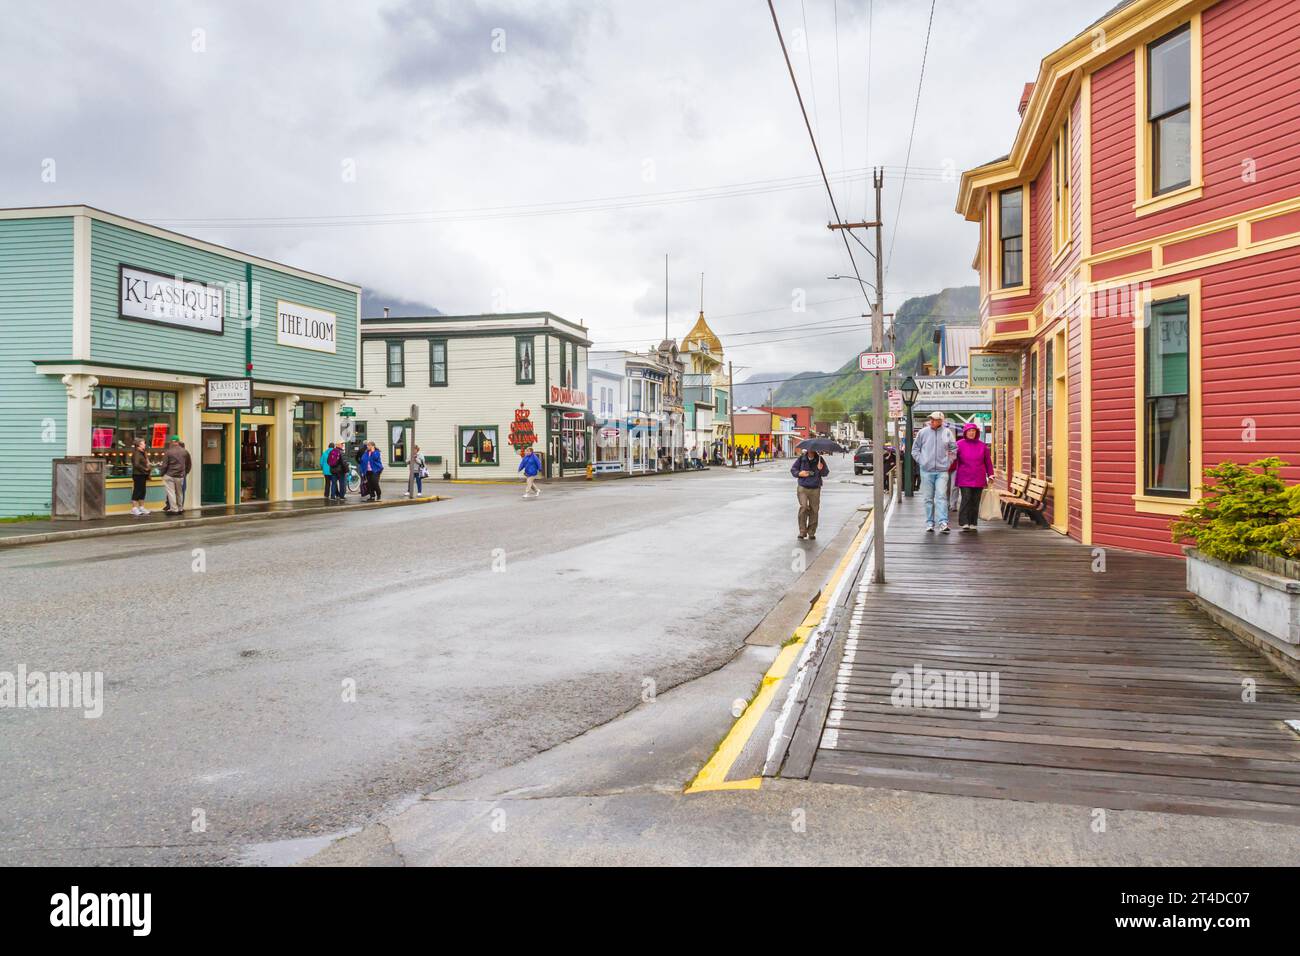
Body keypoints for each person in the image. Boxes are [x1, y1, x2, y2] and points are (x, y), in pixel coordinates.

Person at [912, 410, 957, 534]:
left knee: (941, 496)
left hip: (942, 471)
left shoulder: (947, 433)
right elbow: (915, 449)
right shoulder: (922, 432)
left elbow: (953, 449)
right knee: (928, 498)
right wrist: (922, 461)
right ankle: (930, 523)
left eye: (934, 419)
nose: (931, 421)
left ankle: (943, 522)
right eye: (931, 419)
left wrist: (949, 462)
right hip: (926, 470)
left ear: (941, 421)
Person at [953, 423, 994, 531]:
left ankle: (973, 522)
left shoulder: (982, 445)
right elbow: (953, 459)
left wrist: (991, 474)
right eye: (969, 431)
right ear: (965, 432)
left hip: (979, 477)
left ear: (977, 433)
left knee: (975, 500)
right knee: (966, 498)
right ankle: (964, 522)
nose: (971, 433)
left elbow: (988, 462)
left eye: (973, 431)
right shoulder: (959, 444)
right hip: (964, 476)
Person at [790, 447, 829, 540]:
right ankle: (802, 531)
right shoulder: (801, 459)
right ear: (807, 450)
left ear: (815, 451)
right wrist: (799, 473)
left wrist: (821, 469)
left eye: (812, 450)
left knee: (814, 510)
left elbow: (825, 473)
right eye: (809, 450)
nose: (811, 452)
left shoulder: (820, 459)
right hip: (803, 487)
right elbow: (793, 470)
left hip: (815, 488)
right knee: (804, 507)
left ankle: (811, 532)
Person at [160, 436, 190, 514]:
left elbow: (164, 465)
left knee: (171, 492)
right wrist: (185, 473)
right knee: (179, 492)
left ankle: (174, 509)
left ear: (171, 442)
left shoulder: (168, 452)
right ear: (178, 441)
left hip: (169, 475)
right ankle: (180, 508)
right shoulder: (184, 451)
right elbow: (188, 464)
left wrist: (162, 474)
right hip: (180, 476)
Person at [130, 438, 151, 517]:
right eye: (143, 443)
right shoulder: (136, 453)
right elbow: (136, 464)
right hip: (138, 474)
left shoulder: (142, 453)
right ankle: (134, 508)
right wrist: (145, 469)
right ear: (138, 445)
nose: (144, 445)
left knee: (142, 491)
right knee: (137, 491)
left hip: (142, 474)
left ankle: (141, 507)